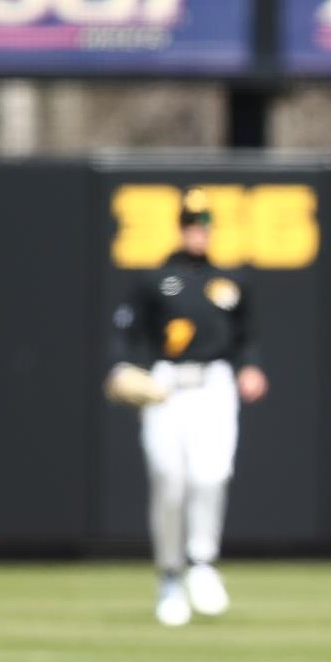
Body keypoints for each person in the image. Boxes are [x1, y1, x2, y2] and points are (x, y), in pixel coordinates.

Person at [108, 188, 268, 627]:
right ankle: (169, 576)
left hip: (214, 384)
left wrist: (250, 368)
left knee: (212, 473)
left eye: (204, 225)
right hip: (167, 386)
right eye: (191, 225)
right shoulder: (155, 279)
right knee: (169, 480)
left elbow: (246, 338)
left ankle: (201, 561)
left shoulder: (231, 281)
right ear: (180, 229)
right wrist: (122, 367)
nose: (198, 232)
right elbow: (127, 332)